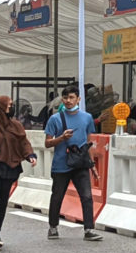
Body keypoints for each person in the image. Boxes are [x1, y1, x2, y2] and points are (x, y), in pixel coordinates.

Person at [44, 85, 102, 241]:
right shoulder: (55, 119)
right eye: (65, 98)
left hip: (81, 164)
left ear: (78, 99)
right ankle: (53, 227)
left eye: (71, 97)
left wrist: (92, 165)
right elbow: (48, 143)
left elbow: (88, 143)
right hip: (61, 164)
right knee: (57, 196)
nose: (68, 101)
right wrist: (61, 138)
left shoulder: (87, 117)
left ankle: (89, 229)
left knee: (87, 196)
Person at [0, 95, 37, 250]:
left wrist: (30, 155)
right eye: (8, 105)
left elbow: (24, 142)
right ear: (0, 107)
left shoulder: (16, 125)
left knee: (2, 203)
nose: (11, 108)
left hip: (10, 168)